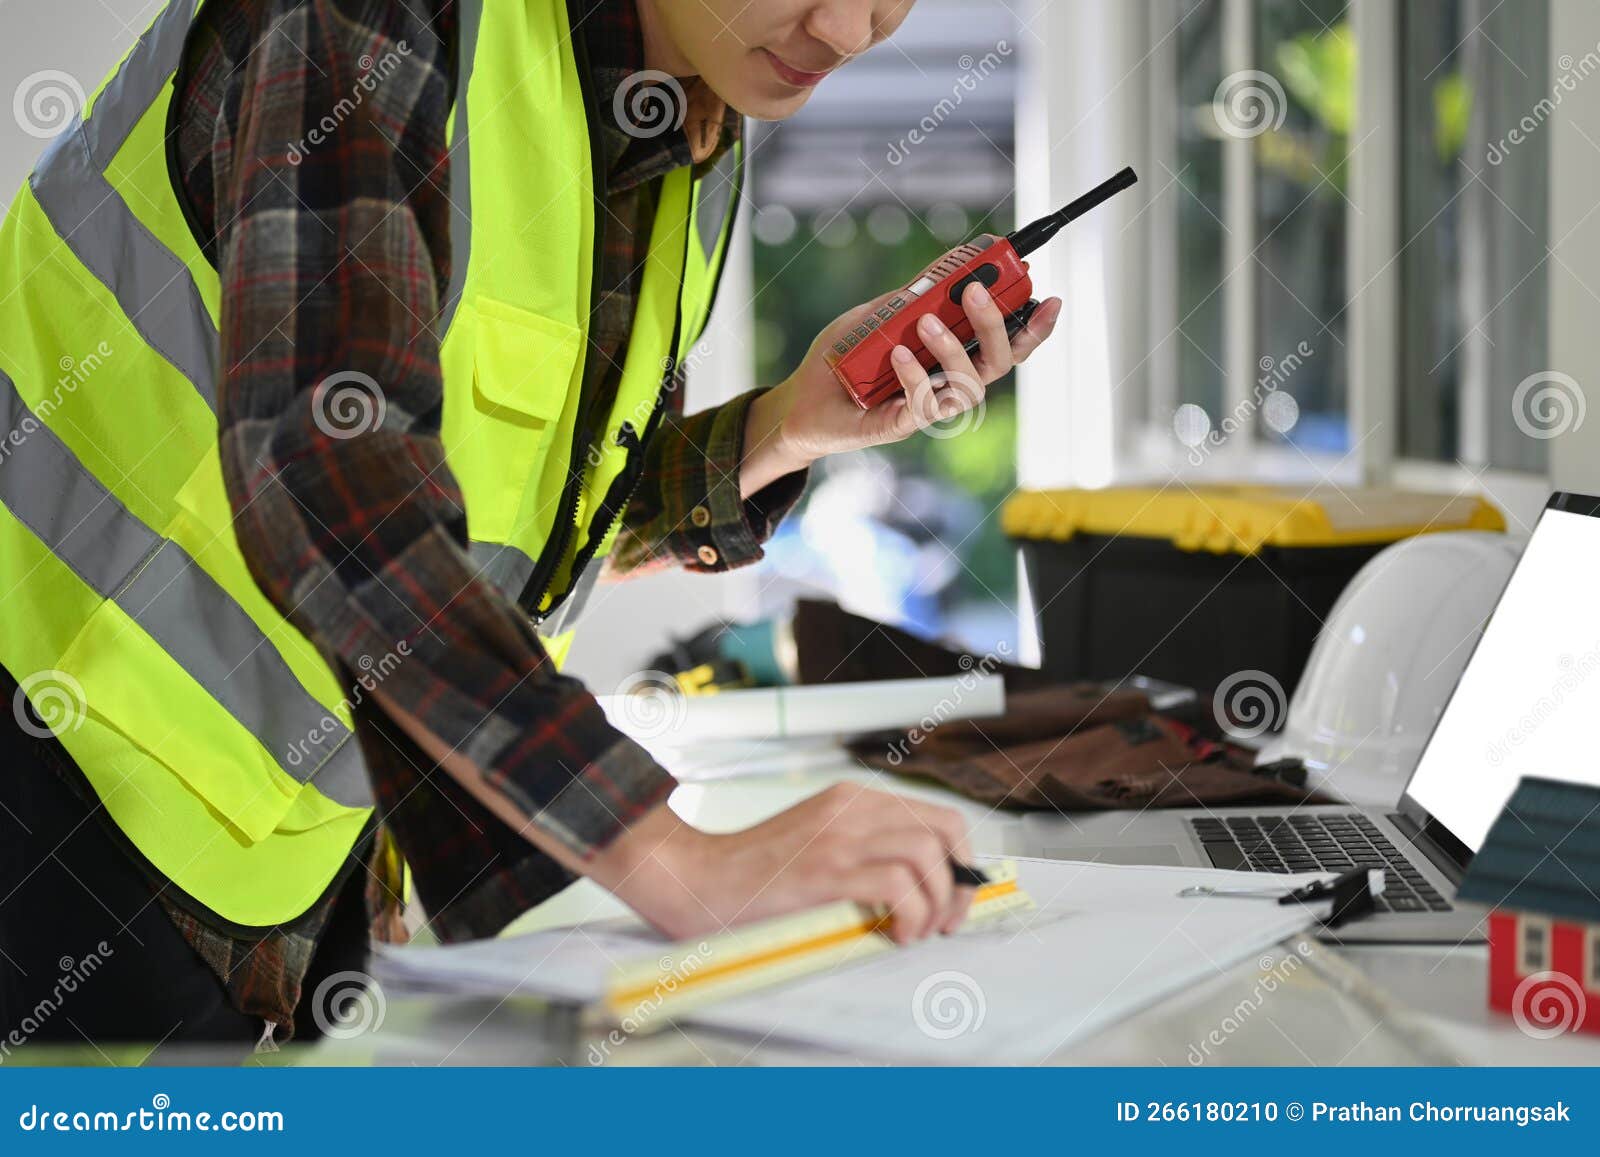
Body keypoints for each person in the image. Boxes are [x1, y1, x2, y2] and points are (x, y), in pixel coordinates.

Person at [0, 0, 1064, 1048]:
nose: (848, 29)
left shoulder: (688, 115)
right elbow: (330, 473)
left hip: (289, 862)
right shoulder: (364, 25)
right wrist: (675, 858)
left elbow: (534, 528)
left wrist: (793, 423)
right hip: (56, 791)